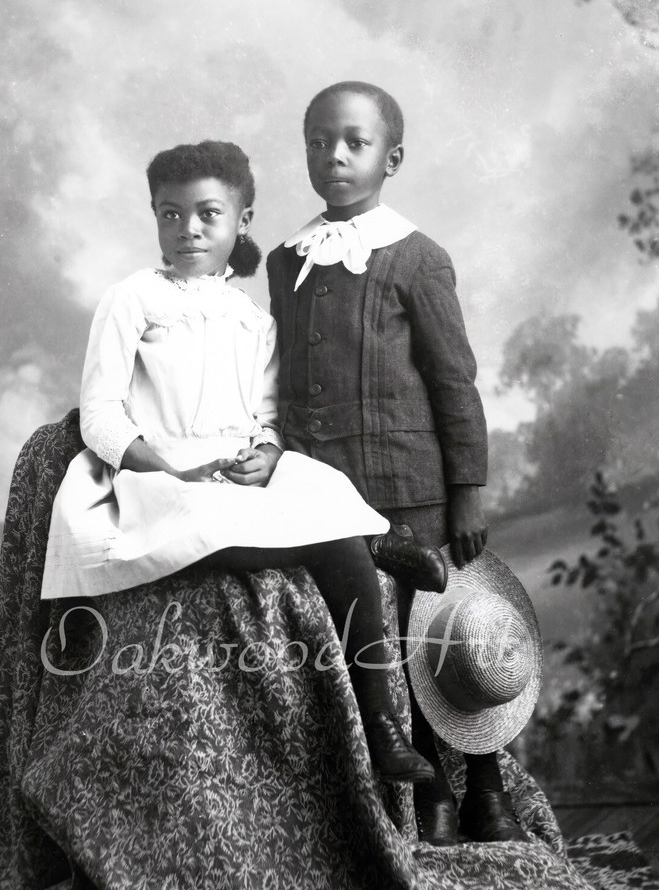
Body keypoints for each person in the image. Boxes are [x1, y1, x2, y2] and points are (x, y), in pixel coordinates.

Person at [40, 138, 447, 784]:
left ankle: (381, 729)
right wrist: (165, 469)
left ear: (241, 221)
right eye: (170, 214)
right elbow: (101, 414)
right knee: (216, 520)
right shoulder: (132, 299)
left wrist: (267, 452)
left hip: (234, 471)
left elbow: (266, 416)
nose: (188, 229)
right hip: (156, 473)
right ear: (155, 218)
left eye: (208, 214)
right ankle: (376, 543)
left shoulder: (253, 320)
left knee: (320, 486)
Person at [266, 81, 529, 845]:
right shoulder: (287, 262)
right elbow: (281, 377)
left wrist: (467, 490)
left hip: (414, 488)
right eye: (319, 142)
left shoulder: (417, 258)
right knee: (378, 641)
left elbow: (454, 380)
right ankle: (431, 795)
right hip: (328, 496)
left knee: (447, 633)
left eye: (355, 142)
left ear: (392, 158)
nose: (334, 156)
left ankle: (484, 788)